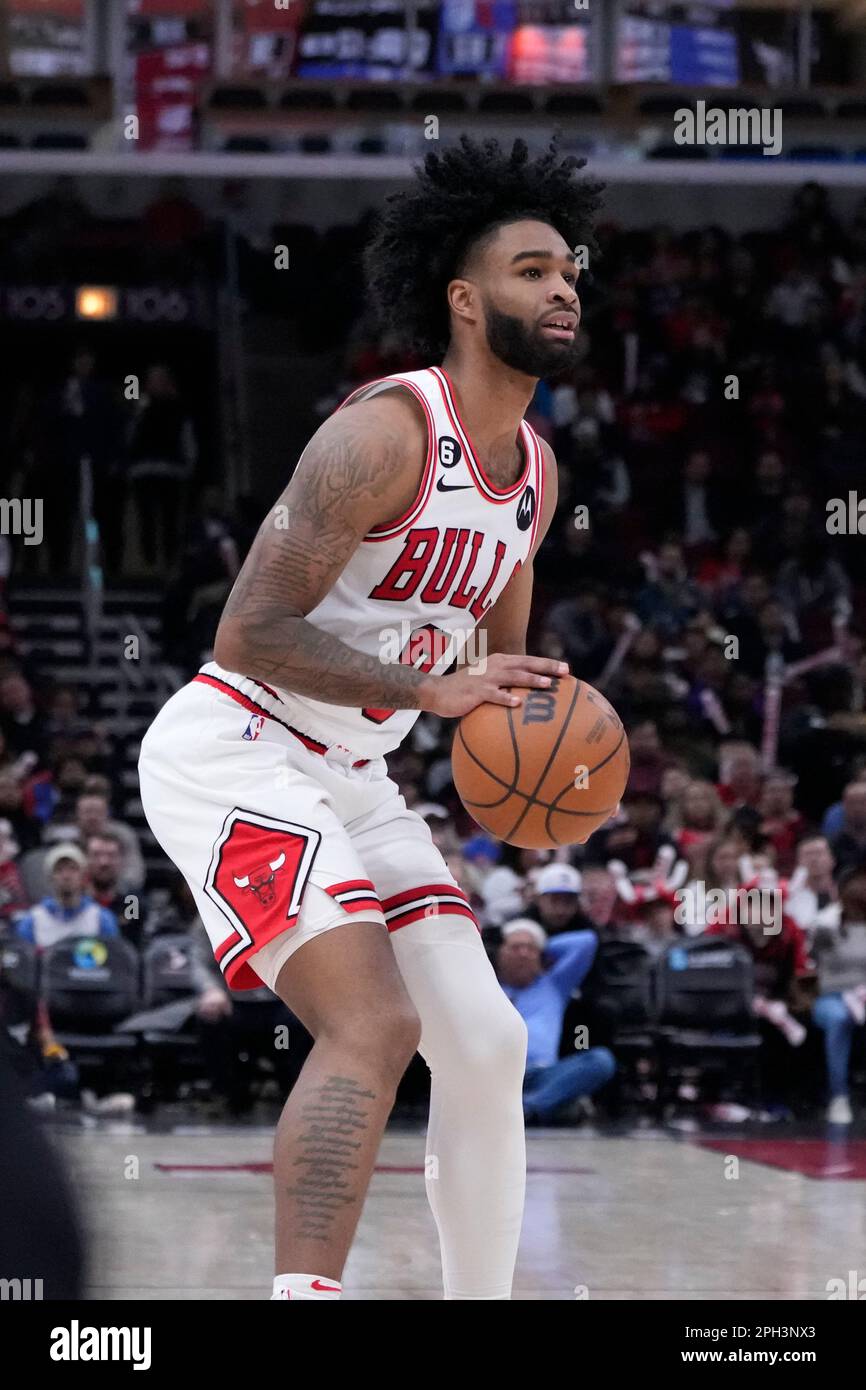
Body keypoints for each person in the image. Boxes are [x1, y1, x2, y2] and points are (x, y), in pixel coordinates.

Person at [138, 134, 601, 1302]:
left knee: (489, 1047)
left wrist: (545, 761)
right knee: (370, 1024)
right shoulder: (385, 433)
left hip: (356, 772)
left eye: (568, 272)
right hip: (234, 742)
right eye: (532, 269)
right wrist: (431, 690)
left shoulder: (534, 479)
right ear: (463, 298)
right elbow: (248, 632)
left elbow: (506, 678)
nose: (562, 289)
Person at [495, 919, 614, 1123]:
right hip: (496, 1075)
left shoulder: (554, 985)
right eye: (515, 948)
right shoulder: (487, 984)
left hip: (544, 1074)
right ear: (501, 953)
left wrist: (542, 945)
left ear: (541, 956)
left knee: (600, 1060)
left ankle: (528, 1109)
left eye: (530, 949)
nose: (523, 953)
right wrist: (531, 946)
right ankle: (546, 1106)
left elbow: (587, 942)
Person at [811, 862, 866, 1125]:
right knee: (839, 1018)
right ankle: (839, 1096)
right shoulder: (826, 922)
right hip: (833, 995)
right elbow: (820, 964)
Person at [15, 844, 118, 949]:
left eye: (73, 869)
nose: (66, 876)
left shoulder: (101, 919)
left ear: (83, 876)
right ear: (50, 878)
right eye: (59, 870)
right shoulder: (32, 921)